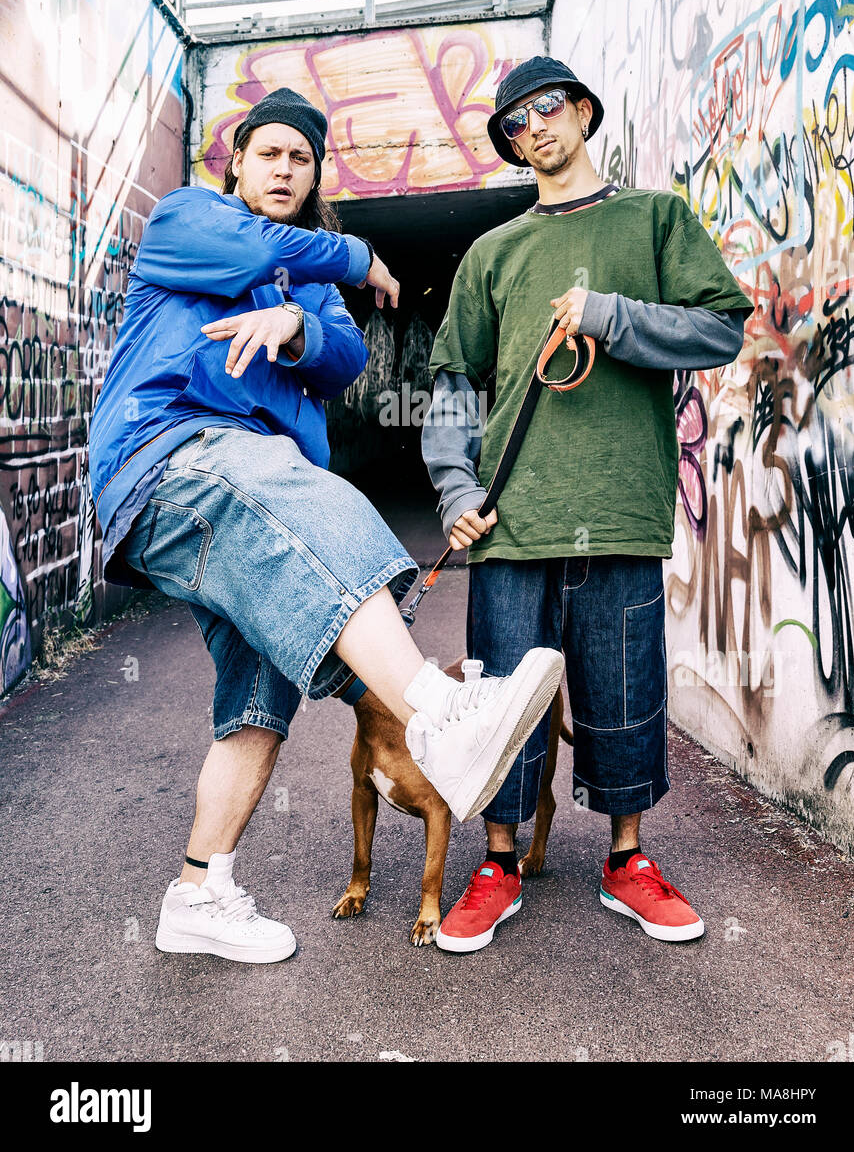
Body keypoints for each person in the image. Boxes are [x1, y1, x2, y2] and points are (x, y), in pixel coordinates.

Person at [88, 87, 564, 965]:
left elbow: (344, 356)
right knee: (325, 504)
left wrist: (296, 318)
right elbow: (248, 247)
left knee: (258, 704)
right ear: (237, 164)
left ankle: (200, 891)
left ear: (314, 176)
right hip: (173, 457)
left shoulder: (306, 277)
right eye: (269, 153)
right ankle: (441, 715)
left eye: (301, 159)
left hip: (226, 509)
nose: (284, 169)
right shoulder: (190, 217)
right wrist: (354, 252)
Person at [422, 56, 753, 953]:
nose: (533, 127)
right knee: (502, 704)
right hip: (510, 522)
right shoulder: (492, 254)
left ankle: (627, 861)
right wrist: (455, 486)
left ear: (582, 111)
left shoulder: (655, 220)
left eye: (547, 108)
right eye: (515, 121)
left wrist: (614, 313)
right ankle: (495, 866)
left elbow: (721, 323)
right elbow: (452, 379)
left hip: (619, 507)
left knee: (622, 696)